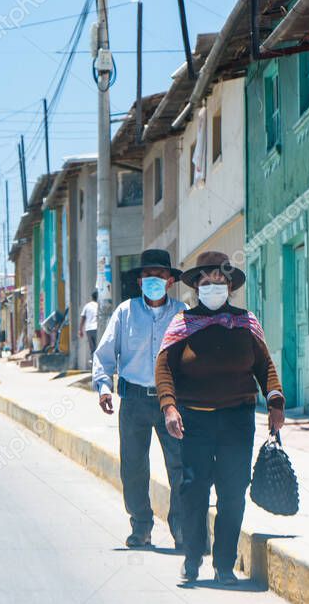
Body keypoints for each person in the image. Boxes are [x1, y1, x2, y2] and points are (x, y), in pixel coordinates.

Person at [155, 251, 286, 585]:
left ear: (229, 286)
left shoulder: (245, 322)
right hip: (193, 421)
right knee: (193, 489)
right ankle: (193, 556)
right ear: (196, 286)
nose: (213, 286)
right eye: (206, 281)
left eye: (219, 281)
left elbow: (265, 366)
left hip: (236, 420)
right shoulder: (182, 324)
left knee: (232, 491)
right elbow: (164, 368)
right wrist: (169, 407)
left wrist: (275, 402)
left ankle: (225, 564)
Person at [92, 249, 187, 549]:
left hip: (172, 403)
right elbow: (105, 354)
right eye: (147, 276)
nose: (152, 281)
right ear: (140, 280)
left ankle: (182, 529)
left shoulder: (182, 313)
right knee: (133, 467)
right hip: (133, 401)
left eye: (159, 276)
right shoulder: (125, 312)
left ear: (170, 281)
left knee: (182, 466)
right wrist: (104, 386)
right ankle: (141, 526)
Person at [79, 291, 99, 365]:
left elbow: (83, 318)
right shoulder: (99, 305)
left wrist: (80, 330)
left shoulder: (87, 306)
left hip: (89, 329)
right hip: (97, 329)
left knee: (92, 348)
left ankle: (94, 363)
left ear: (92, 297)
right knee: (98, 347)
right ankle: (97, 364)